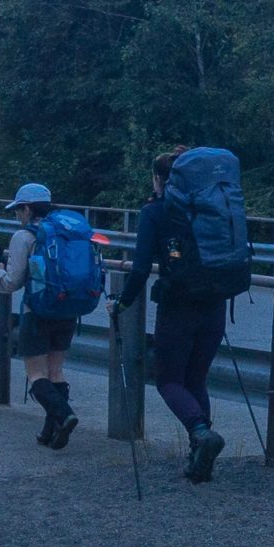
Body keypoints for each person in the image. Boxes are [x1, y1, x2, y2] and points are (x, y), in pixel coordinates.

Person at [111, 150, 229, 482]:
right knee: (195, 380)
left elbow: (139, 270)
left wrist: (121, 304)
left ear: (159, 180)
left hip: (178, 306)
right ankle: (200, 459)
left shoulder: (154, 212)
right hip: (216, 302)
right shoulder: (214, 207)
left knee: (169, 381)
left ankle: (201, 434)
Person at [0, 182, 79, 448]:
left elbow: (13, 282)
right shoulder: (66, 230)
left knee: (36, 374)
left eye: (18, 210)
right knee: (56, 371)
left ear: (28, 209)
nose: (17, 216)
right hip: (67, 309)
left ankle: (64, 416)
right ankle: (51, 431)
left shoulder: (24, 237)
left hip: (38, 311)